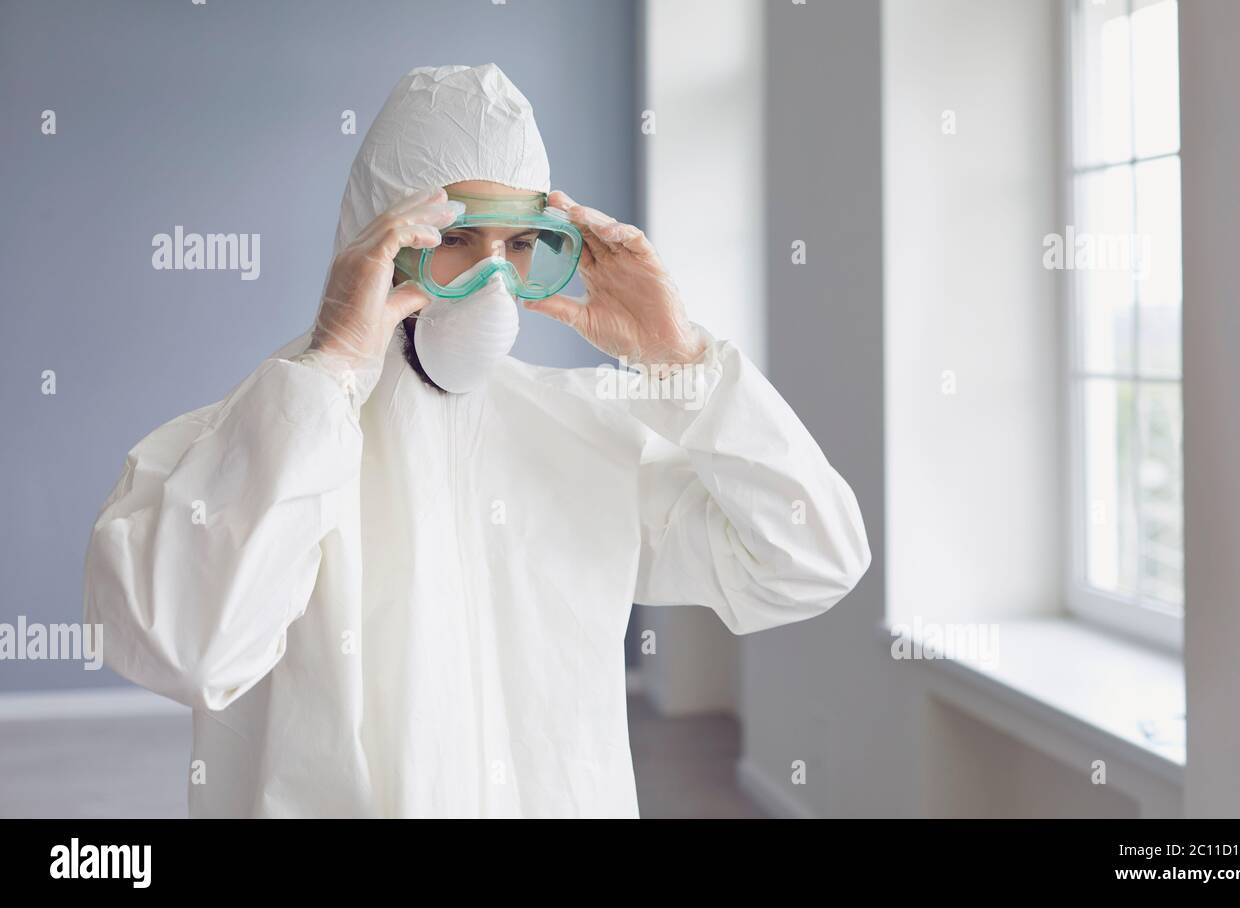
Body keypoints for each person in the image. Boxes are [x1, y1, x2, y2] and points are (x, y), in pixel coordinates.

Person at [84, 63, 870, 817]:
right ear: (376, 241)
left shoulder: (588, 435)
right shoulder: (249, 443)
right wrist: (325, 378)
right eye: (456, 238)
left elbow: (808, 562)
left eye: (520, 245)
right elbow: (191, 647)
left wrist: (683, 367)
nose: (493, 279)